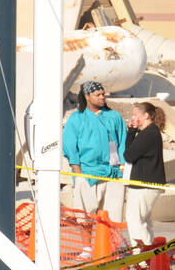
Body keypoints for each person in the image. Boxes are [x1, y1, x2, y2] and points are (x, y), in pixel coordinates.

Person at [63, 80, 126, 222]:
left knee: (112, 218)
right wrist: (78, 175)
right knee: (84, 217)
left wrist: (122, 170)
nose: (102, 97)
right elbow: (70, 148)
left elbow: (123, 143)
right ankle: (87, 245)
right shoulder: (76, 119)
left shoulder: (114, 117)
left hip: (113, 174)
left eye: (103, 94)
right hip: (87, 174)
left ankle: (110, 245)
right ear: (87, 96)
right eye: (98, 94)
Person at [124, 101, 168, 244]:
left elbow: (129, 155)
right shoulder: (149, 133)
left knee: (135, 220)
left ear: (146, 115)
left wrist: (132, 132)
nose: (133, 117)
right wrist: (132, 131)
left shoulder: (149, 134)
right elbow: (131, 152)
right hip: (146, 184)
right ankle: (150, 255)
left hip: (143, 185)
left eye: (136, 114)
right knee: (143, 221)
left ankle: (141, 257)